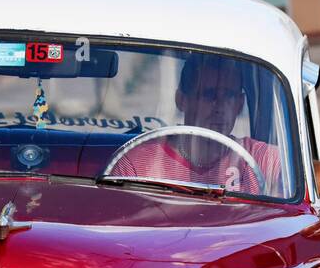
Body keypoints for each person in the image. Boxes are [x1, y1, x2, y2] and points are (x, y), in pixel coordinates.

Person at [108, 54, 283, 195]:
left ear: (239, 103)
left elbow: (302, 183)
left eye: (229, 96)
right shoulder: (138, 165)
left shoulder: (260, 160)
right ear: (182, 100)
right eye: (209, 95)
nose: (220, 107)